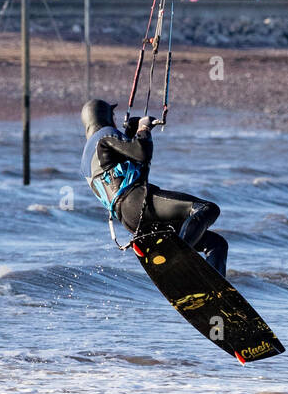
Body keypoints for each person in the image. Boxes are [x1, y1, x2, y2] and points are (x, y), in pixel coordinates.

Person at [79, 99, 228, 279]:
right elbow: (142, 153)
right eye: (113, 116)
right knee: (207, 209)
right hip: (135, 202)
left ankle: (216, 287)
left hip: (129, 220)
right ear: (103, 116)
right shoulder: (105, 134)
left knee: (216, 244)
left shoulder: (87, 156)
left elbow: (121, 165)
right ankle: (177, 257)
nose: (115, 120)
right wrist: (143, 129)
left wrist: (130, 132)